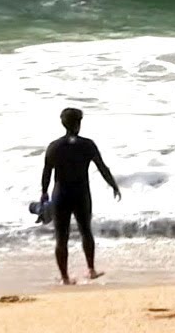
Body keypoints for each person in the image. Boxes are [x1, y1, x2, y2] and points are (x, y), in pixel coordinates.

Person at [40, 107, 120, 284]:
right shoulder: (87, 145)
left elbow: (46, 173)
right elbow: (102, 167)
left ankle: (64, 277)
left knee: (61, 237)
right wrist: (113, 185)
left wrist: (44, 193)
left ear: (63, 123)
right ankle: (91, 270)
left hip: (61, 195)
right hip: (81, 194)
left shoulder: (54, 147)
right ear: (79, 123)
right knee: (86, 231)